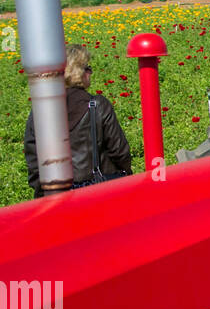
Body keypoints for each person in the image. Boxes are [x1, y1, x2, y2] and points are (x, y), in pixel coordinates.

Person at [24, 44, 132, 196]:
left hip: (58, 198)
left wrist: (46, 194)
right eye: (87, 68)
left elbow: (34, 161)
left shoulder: (39, 112)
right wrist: (126, 174)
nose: (90, 72)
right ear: (77, 72)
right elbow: (120, 152)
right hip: (100, 192)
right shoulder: (97, 105)